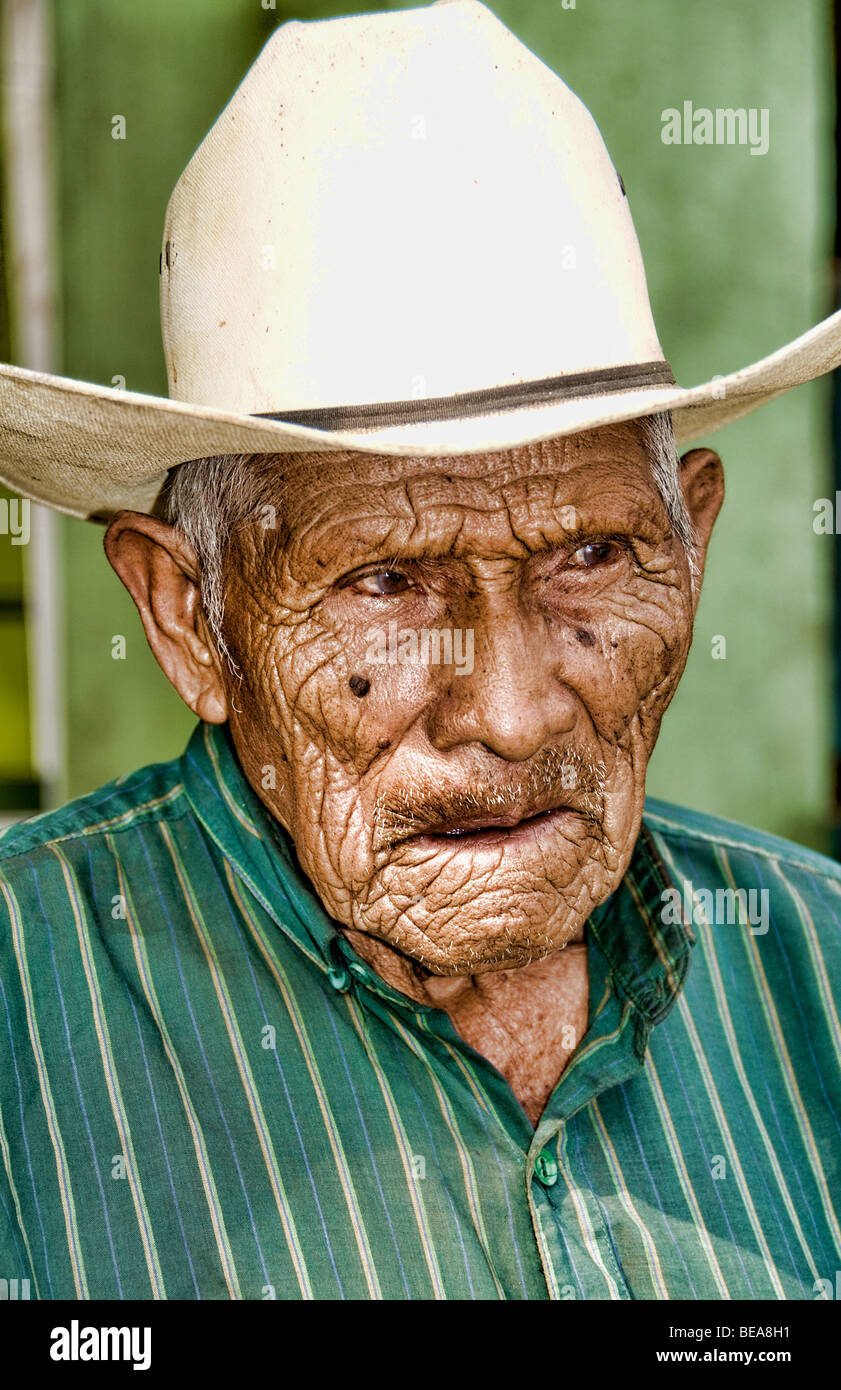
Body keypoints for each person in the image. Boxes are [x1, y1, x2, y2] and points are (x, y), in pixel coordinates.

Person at [1, 0, 839, 1300]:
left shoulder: (823, 971)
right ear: (186, 617)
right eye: (387, 583)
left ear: (696, 541)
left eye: (594, 555)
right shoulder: (23, 1003)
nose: (509, 712)